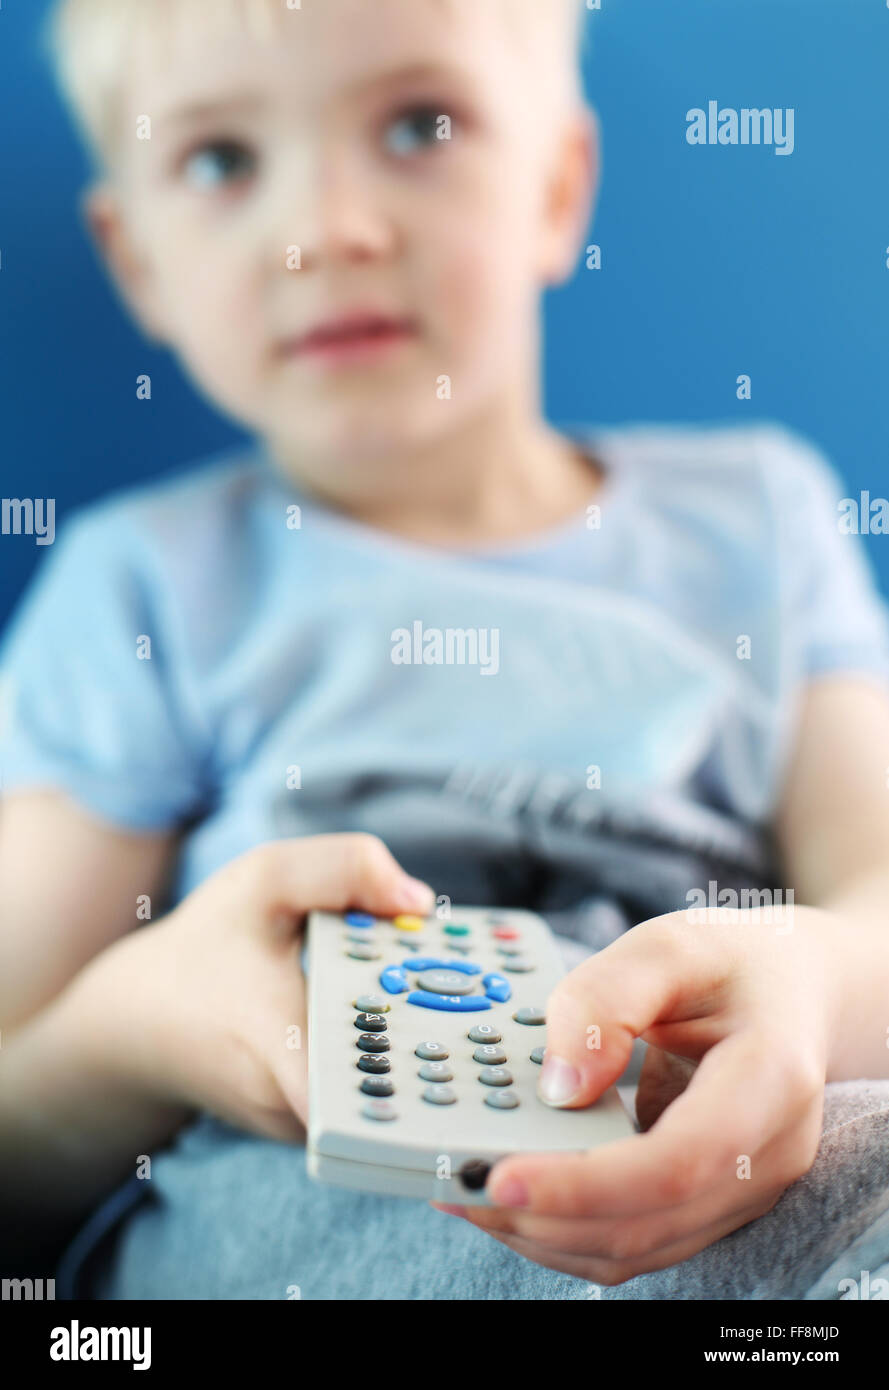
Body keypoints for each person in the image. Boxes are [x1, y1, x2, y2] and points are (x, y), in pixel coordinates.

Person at [1, 0, 888, 1300]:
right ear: (136, 262)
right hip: (311, 1194)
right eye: (219, 161)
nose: (327, 232)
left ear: (556, 185)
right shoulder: (140, 582)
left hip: (755, 1163)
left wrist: (809, 988)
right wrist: (156, 1015)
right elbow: (13, 1120)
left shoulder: (756, 516)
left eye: (420, 125)